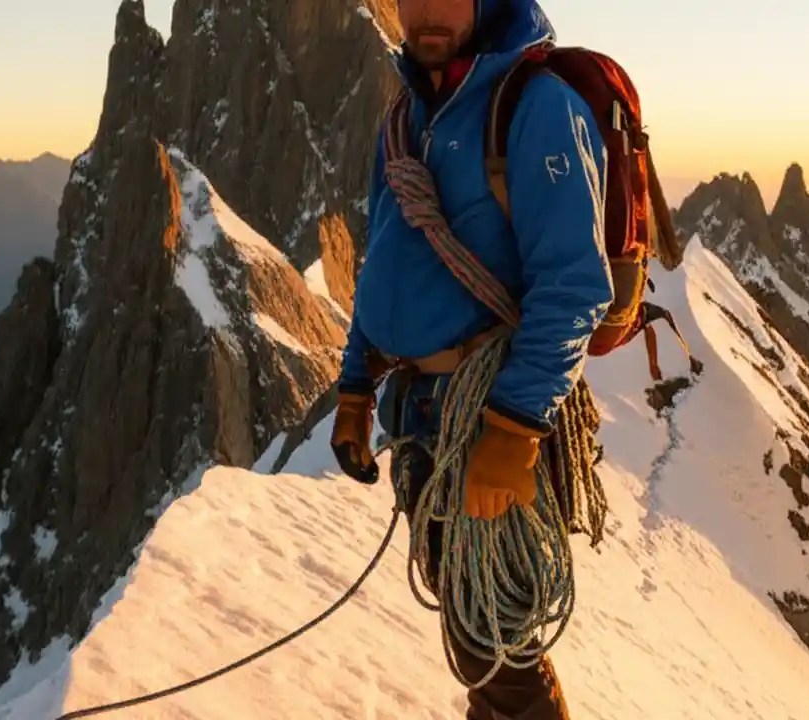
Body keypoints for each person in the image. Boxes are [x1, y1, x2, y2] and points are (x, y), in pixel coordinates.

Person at [330, 1, 612, 718]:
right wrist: (356, 388)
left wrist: (512, 431)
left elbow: (575, 285)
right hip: (425, 419)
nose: (427, 10)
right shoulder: (406, 118)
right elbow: (384, 261)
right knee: (474, 633)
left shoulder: (535, 105)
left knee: (499, 643)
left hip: (485, 417)